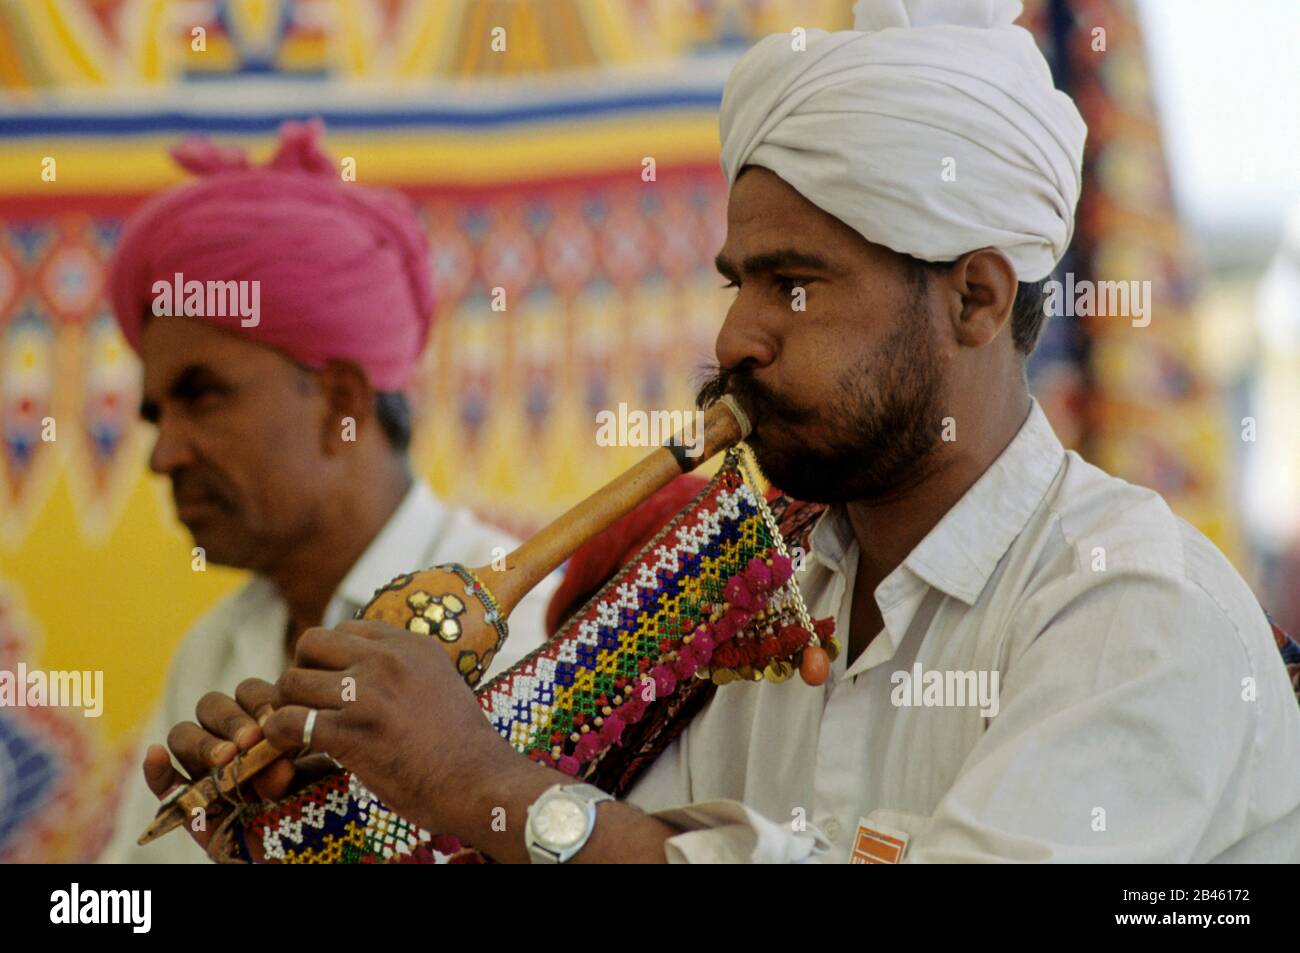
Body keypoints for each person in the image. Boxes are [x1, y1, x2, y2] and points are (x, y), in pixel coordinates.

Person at [151, 0, 1300, 863]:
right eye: (737, 281)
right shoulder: (735, 594)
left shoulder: (1133, 608)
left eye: (794, 285)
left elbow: (544, 821)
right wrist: (316, 819)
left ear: (977, 299)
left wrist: (477, 780)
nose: (739, 333)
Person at [98, 120, 553, 863]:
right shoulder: (217, 650)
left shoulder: (523, 627)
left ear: (342, 401)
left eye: (202, 396)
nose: (165, 454)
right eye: (156, 414)